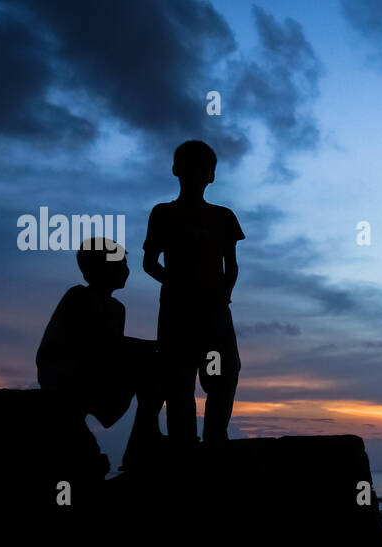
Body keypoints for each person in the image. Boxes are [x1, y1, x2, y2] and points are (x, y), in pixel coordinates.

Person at [142, 140, 244, 444]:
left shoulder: (224, 217)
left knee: (224, 374)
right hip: (177, 311)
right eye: (189, 165)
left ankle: (215, 438)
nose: (196, 172)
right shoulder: (163, 214)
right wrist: (176, 285)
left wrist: (223, 296)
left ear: (211, 175)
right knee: (179, 380)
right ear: (176, 170)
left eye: (203, 167)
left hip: (215, 310)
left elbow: (232, 265)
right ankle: (183, 446)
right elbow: (149, 262)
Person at [36, 237, 162, 470]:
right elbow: (100, 344)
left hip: (94, 372)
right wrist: (152, 346)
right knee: (153, 363)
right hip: (68, 377)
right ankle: (143, 442)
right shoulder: (79, 297)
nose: (126, 269)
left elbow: (111, 349)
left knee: (155, 366)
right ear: (102, 268)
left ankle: (145, 438)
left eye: (125, 263)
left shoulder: (116, 308)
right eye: (120, 263)